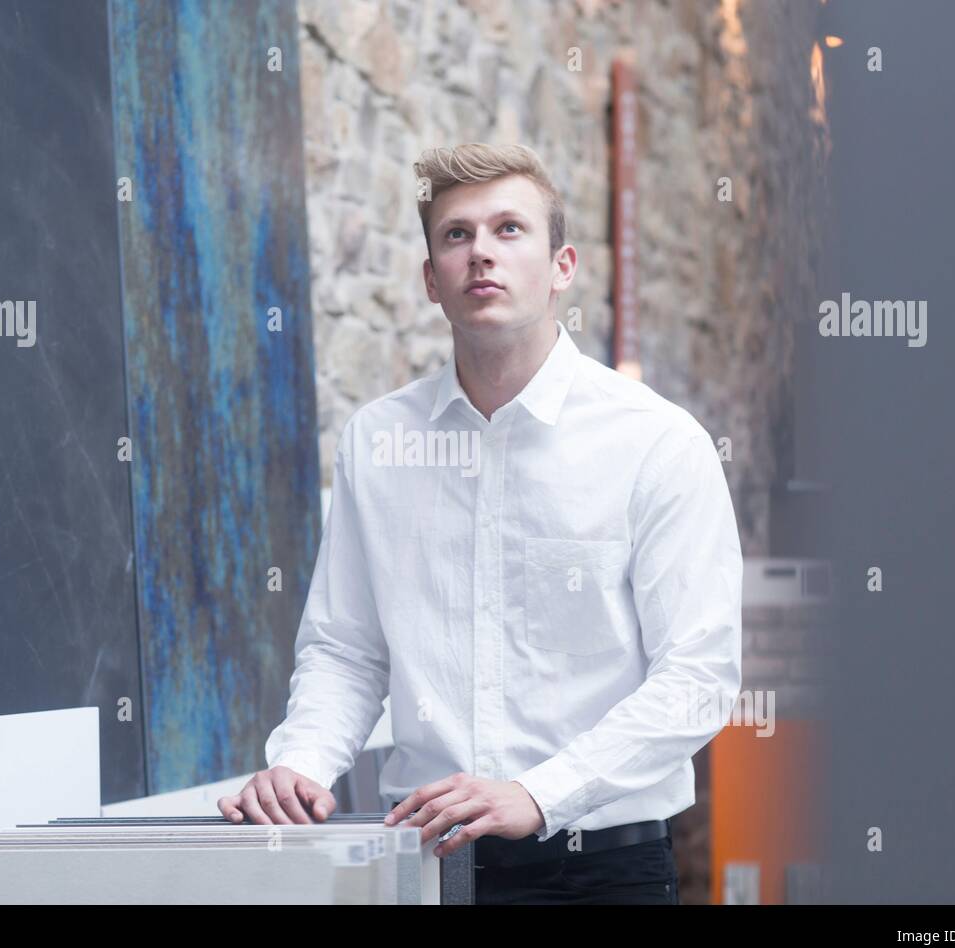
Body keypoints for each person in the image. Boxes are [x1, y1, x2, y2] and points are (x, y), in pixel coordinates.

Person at [218, 143, 743, 905]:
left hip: (602, 871)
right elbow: (348, 649)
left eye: (509, 229)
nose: (481, 254)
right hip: (425, 866)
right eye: (456, 235)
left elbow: (699, 677)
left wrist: (539, 793)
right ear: (431, 279)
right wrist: (300, 764)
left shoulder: (656, 443)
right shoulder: (377, 443)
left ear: (562, 266)